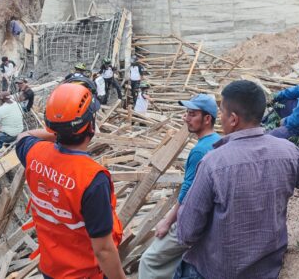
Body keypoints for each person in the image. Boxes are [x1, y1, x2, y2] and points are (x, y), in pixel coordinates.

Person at [175, 80, 299, 278]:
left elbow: (186, 233)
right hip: (266, 270)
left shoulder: (213, 163)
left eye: (222, 112)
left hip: (217, 271)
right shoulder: (287, 151)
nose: (220, 118)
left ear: (233, 119)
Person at [15, 83, 125, 279]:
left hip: (50, 267)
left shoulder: (34, 154)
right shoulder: (92, 179)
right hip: (82, 274)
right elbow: (104, 250)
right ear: (90, 125)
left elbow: (23, 136)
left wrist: (59, 132)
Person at [139, 94, 220, 279]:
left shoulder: (200, 150)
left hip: (193, 220)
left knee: (149, 261)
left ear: (207, 119)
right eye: (186, 113)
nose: (186, 118)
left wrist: (166, 222)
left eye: (192, 114)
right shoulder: (217, 142)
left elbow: (187, 194)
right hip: (211, 219)